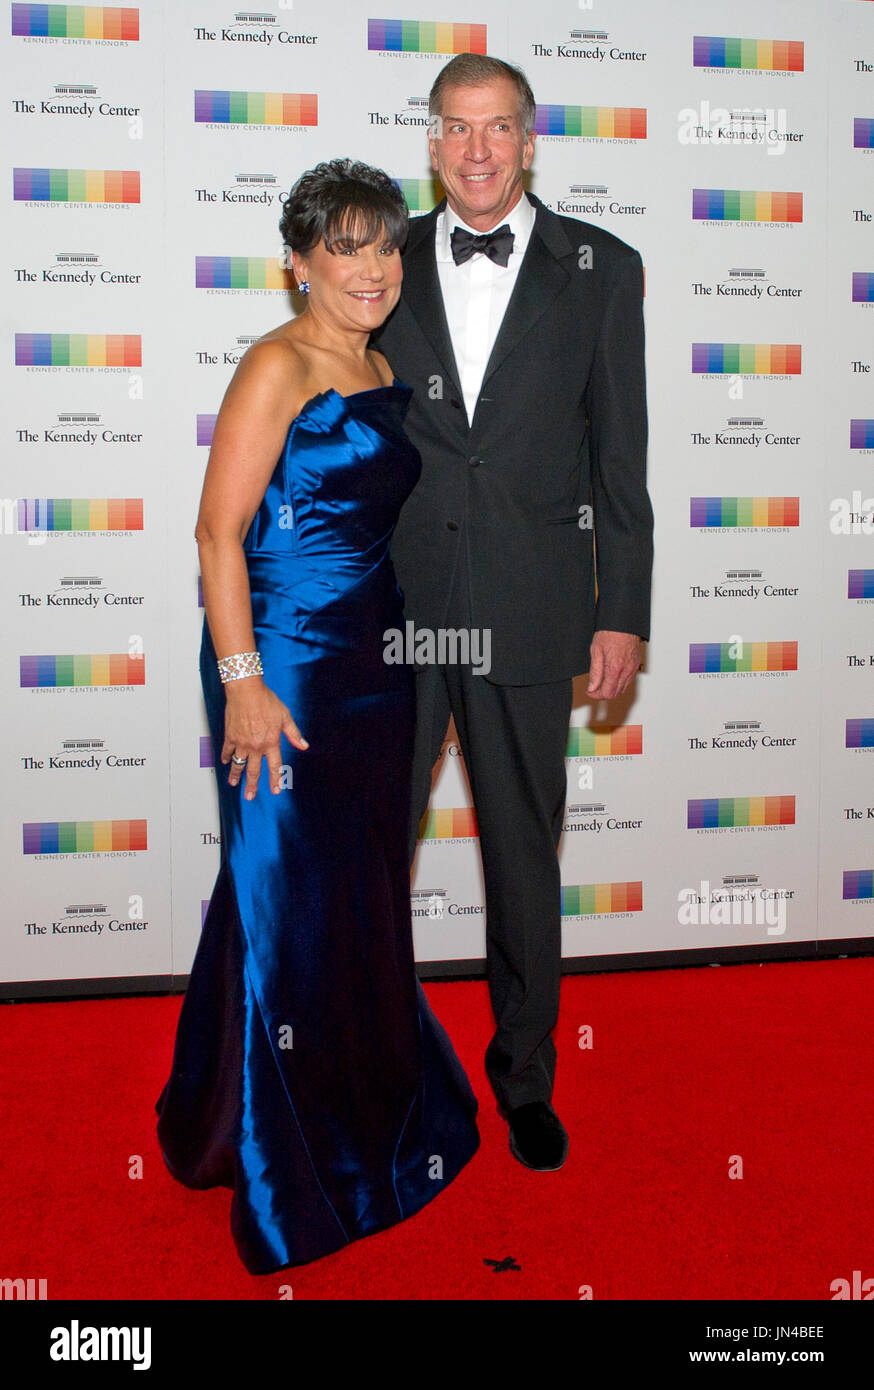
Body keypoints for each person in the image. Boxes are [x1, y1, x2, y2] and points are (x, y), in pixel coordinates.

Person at [155, 159, 479, 1275]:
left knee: (348, 890)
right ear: (297, 262)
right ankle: (287, 1153)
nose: (372, 267)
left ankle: (279, 1109)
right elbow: (217, 533)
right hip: (281, 660)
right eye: (345, 247)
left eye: (385, 246)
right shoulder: (276, 363)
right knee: (283, 886)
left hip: (371, 661)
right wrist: (243, 678)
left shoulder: (381, 362)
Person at [373, 55, 653, 1171]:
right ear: (431, 141)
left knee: (524, 858)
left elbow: (618, 459)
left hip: (536, 608)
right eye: (456, 128)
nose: (477, 150)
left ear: (529, 140)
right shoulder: (376, 259)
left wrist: (620, 609)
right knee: (369, 850)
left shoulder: (602, 268)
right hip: (398, 606)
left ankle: (524, 1081)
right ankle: (371, 1063)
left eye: (498, 129)